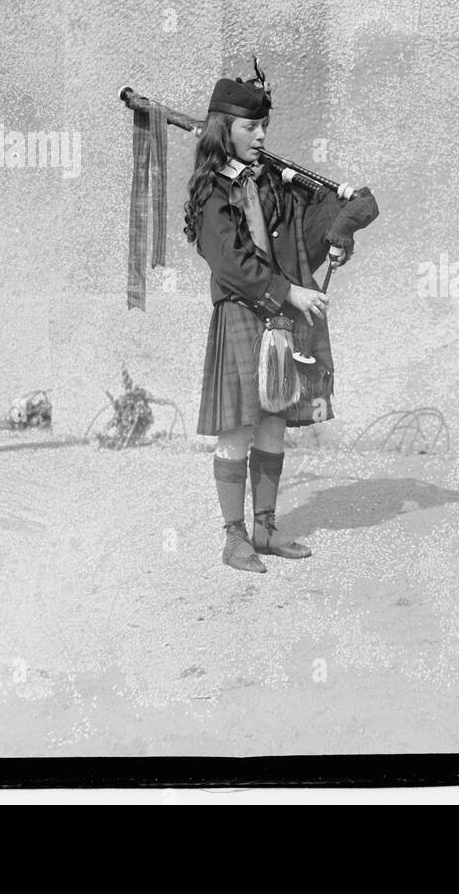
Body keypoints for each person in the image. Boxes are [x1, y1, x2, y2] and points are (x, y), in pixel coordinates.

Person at [183, 69, 379, 572]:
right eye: (251, 127)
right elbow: (229, 263)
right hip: (241, 313)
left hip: (278, 317)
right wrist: (288, 291)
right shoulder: (212, 194)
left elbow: (302, 231)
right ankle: (234, 538)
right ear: (224, 129)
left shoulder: (272, 183)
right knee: (238, 430)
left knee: (273, 421)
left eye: (264, 125)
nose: (262, 136)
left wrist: (339, 231)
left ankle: (266, 528)